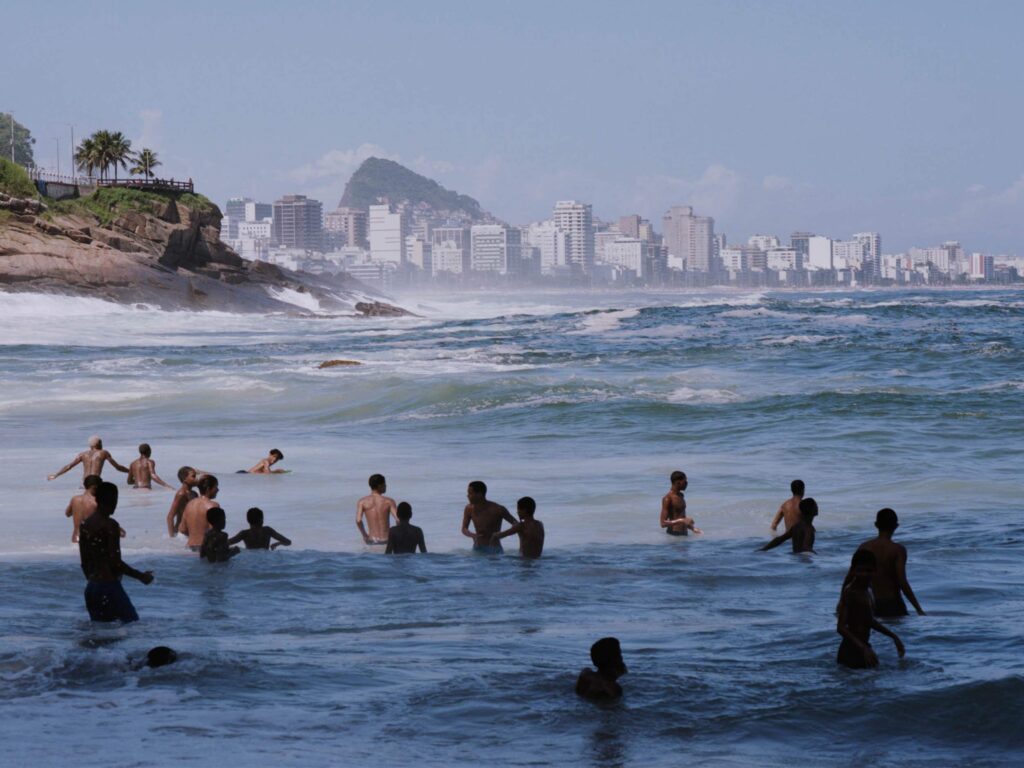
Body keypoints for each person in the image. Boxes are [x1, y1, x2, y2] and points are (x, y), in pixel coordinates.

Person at [78, 482, 153, 623]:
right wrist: (141, 576)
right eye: (114, 500)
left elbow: (84, 561)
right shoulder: (110, 525)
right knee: (131, 624)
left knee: (101, 633)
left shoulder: (86, 524)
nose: (115, 504)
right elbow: (115, 562)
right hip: (109, 586)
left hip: (91, 588)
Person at [841, 508, 925, 617]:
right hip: (893, 603)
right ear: (896, 526)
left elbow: (850, 577)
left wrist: (842, 602)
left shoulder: (864, 547)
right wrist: (918, 608)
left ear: (876, 525)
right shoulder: (898, 550)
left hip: (870, 601)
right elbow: (902, 581)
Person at [837, 549, 905, 668]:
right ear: (853, 570)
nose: (864, 574)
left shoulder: (868, 589)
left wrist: (894, 636)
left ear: (875, 570)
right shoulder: (851, 592)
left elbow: (868, 620)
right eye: (860, 571)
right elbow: (841, 627)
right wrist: (863, 648)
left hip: (863, 647)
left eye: (869, 570)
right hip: (851, 650)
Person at [461, 480, 517, 554]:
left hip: (494, 549)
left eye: (470, 493)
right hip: (477, 548)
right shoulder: (469, 509)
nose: (467, 496)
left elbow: (517, 525)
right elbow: (464, 528)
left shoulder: (498, 509)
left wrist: (501, 535)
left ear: (479, 494)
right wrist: (472, 535)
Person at [48, 436, 129, 483]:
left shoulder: (83, 454)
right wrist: (130, 471)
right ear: (99, 443)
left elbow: (69, 466)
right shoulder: (103, 453)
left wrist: (56, 474)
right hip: (94, 482)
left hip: (84, 482)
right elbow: (117, 467)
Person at [179, 474, 220, 550]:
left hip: (189, 548)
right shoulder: (213, 505)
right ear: (208, 488)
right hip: (205, 549)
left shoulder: (189, 504)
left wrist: (195, 535)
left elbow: (182, 529)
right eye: (216, 487)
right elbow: (214, 531)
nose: (218, 490)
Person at [356, 473, 398, 546]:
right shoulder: (389, 501)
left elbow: (358, 520)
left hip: (372, 541)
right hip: (387, 541)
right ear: (380, 486)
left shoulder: (362, 502)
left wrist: (365, 535)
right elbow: (398, 520)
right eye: (384, 484)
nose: (386, 486)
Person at [660, 471, 702, 536]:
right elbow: (663, 523)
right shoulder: (667, 499)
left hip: (684, 534)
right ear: (678, 482)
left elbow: (681, 516)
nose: (687, 483)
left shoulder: (681, 495)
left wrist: (693, 528)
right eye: (685, 481)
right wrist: (682, 520)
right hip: (674, 535)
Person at [65, 474, 102, 543]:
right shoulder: (96, 502)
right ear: (96, 487)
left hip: (76, 538)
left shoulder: (74, 499)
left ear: (85, 486)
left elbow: (67, 514)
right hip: (91, 538)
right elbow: (103, 521)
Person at [166, 466, 198, 538]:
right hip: (181, 534)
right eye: (193, 476)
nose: (196, 479)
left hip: (191, 532)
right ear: (184, 479)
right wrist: (172, 538)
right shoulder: (181, 494)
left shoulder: (194, 493)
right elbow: (170, 517)